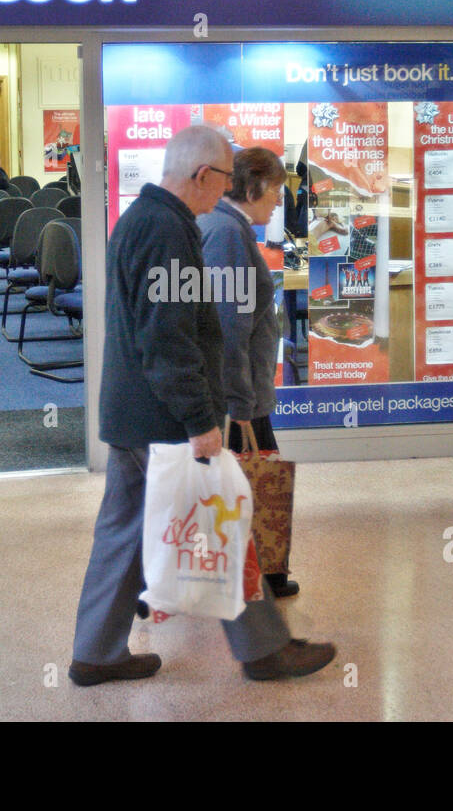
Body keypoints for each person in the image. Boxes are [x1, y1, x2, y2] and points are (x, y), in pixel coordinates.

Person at [69, 126, 335, 687]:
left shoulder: (142, 220)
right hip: (163, 419)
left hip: (131, 413)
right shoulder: (167, 230)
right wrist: (199, 420)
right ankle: (264, 651)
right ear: (200, 176)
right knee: (226, 524)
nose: (226, 192)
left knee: (121, 533)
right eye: (222, 181)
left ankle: (95, 652)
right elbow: (168, 338)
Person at [197, 146, 299, 598]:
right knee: (255, 486)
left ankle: (263, 572)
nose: (280, 200)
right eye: (276, 189)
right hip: (239, 397)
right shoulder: (227, 235)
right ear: (254, 186)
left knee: (254, 486)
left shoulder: (225, 227)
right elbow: (229, 325)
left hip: (242, 391)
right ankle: (257, 579)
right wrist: (239, 404)